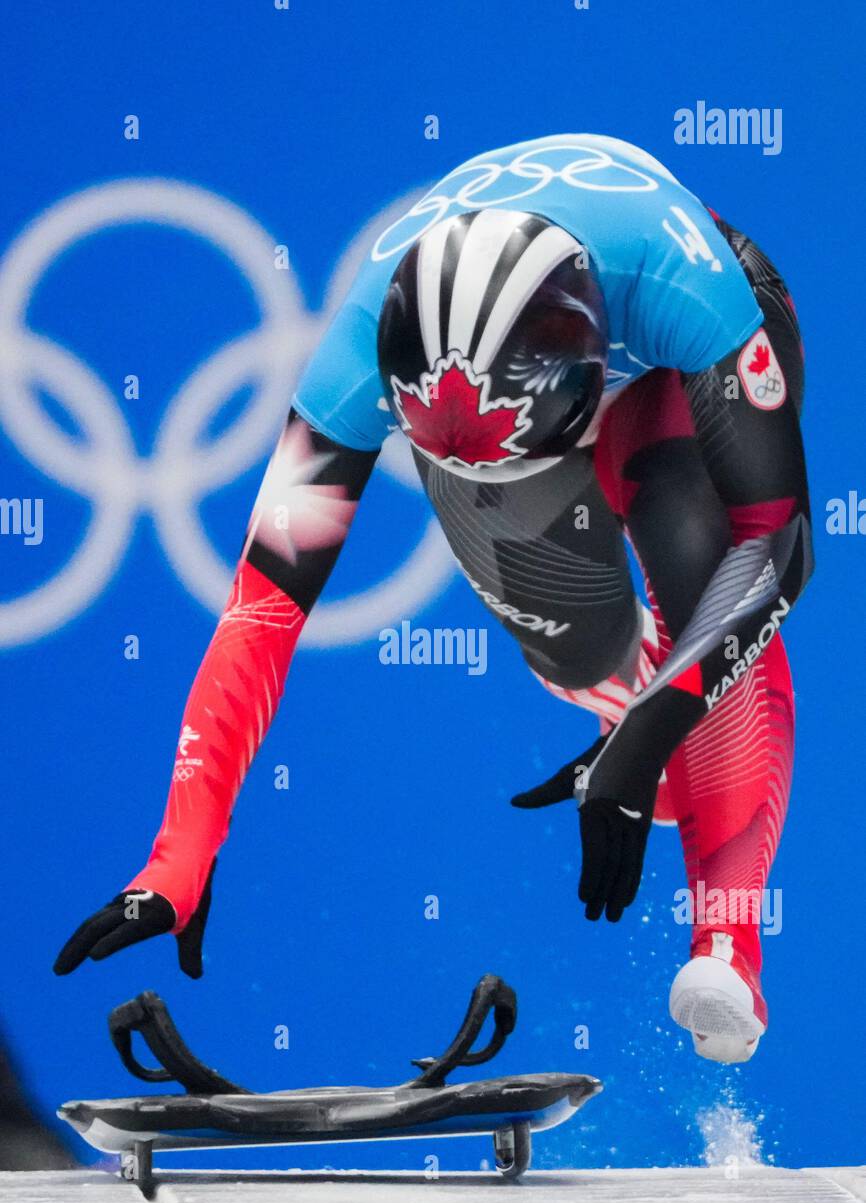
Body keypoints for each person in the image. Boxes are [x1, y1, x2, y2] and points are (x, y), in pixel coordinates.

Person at [54, 135, 812, 1064]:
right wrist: (180, 853)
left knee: (705, 564)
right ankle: (650, 711)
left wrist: (648, 737)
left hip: (672, 360)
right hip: (497, 404)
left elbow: (778, 546)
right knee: (577, 654)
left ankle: (727, 947)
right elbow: (262, 610)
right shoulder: (355, 358)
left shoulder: (679, 285)